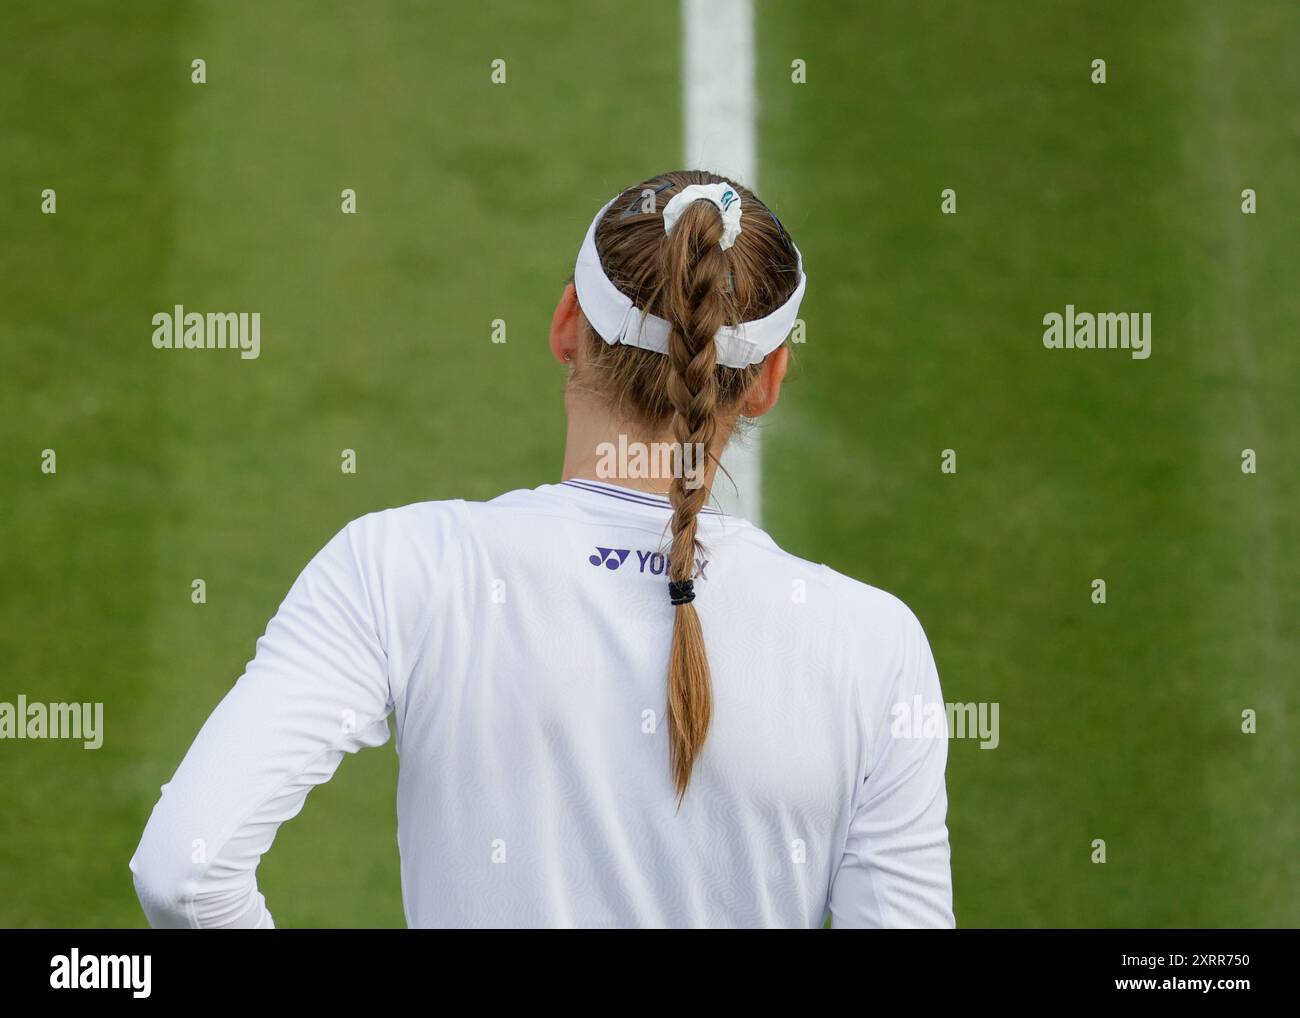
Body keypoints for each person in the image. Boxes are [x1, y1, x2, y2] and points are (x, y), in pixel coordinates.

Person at [130, 169, 955, 928]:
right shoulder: (878, 647)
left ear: (567, 324)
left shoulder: (400, 566)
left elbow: (184, 874)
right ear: (769, 380)